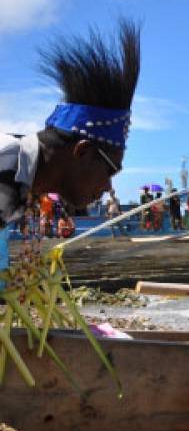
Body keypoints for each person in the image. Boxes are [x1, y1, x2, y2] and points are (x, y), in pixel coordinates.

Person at [0, 19, 139, 282]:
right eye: (110, 170)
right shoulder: (5, 163)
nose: (108, 186)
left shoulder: (19, 184)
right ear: (83, 152)